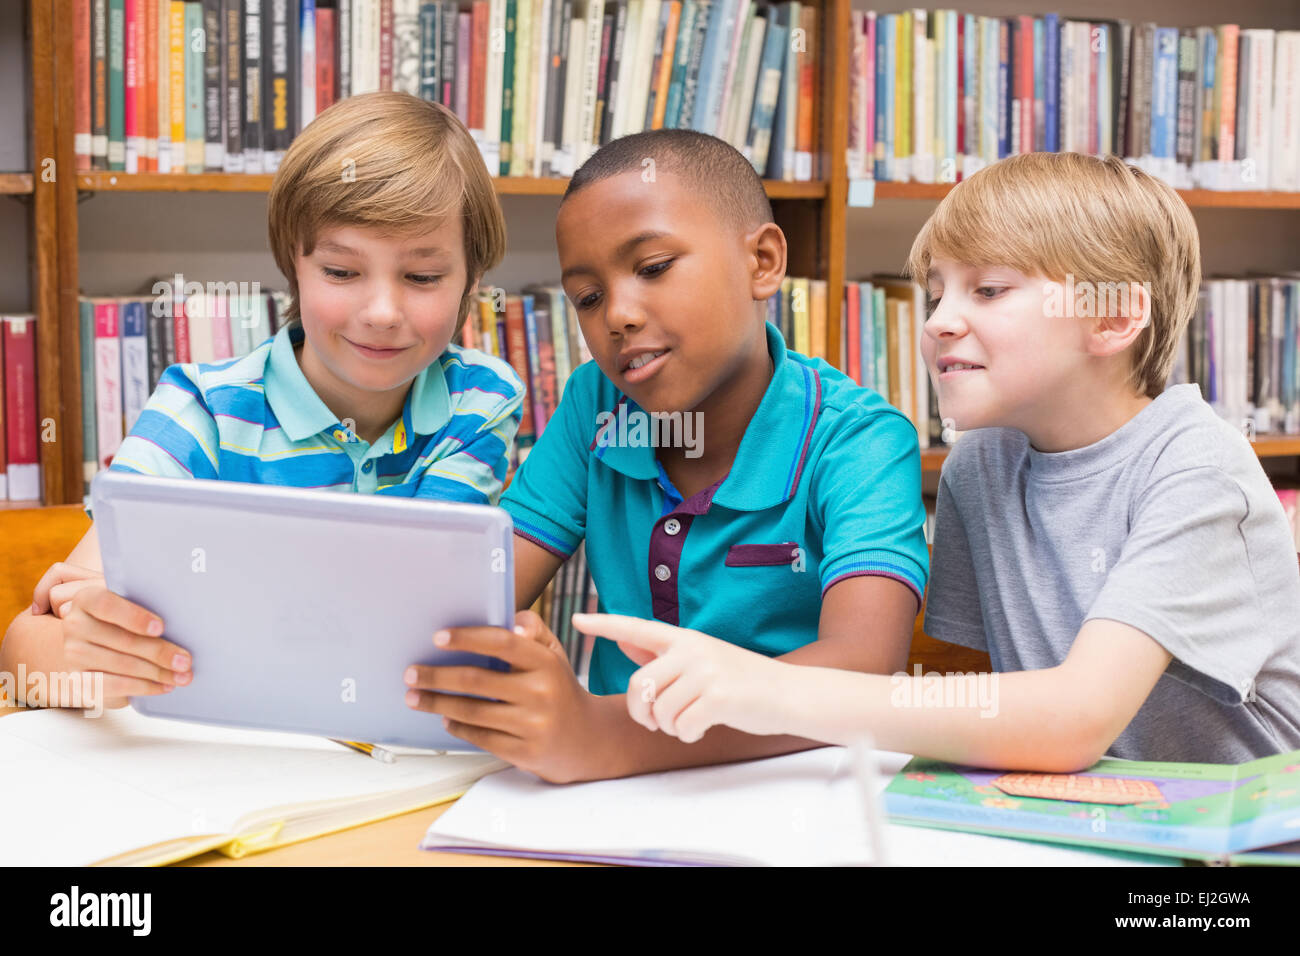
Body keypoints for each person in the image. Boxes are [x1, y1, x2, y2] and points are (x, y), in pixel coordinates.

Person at [571, 152, 1300, 769]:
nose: (938, 321)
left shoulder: (1198, 470)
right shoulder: (981, 461)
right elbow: (962, 684)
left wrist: (761, 688)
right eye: (935, 292)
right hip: (1081, 816)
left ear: (1112, 316)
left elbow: (1074, 717)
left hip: (1242, 833)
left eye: (988, 289)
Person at [402, 129, 930, 782]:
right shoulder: (597, 404)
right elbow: (480, 590)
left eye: (652, 268)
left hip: (794, 791)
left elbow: (862, 671)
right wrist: (498, 652)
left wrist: (602, 736)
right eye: (588, 298)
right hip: (610, 794)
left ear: (762, 262)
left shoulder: (860, 440)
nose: (617, 316)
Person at [2, 92, 524, 710]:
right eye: (340, 272)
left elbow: (420, 620)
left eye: (422, 277)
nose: (382, 313)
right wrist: (88, 653)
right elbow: (25, 650)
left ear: (472, 282)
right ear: (293, 268)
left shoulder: (481, 401)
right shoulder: (199, 409)